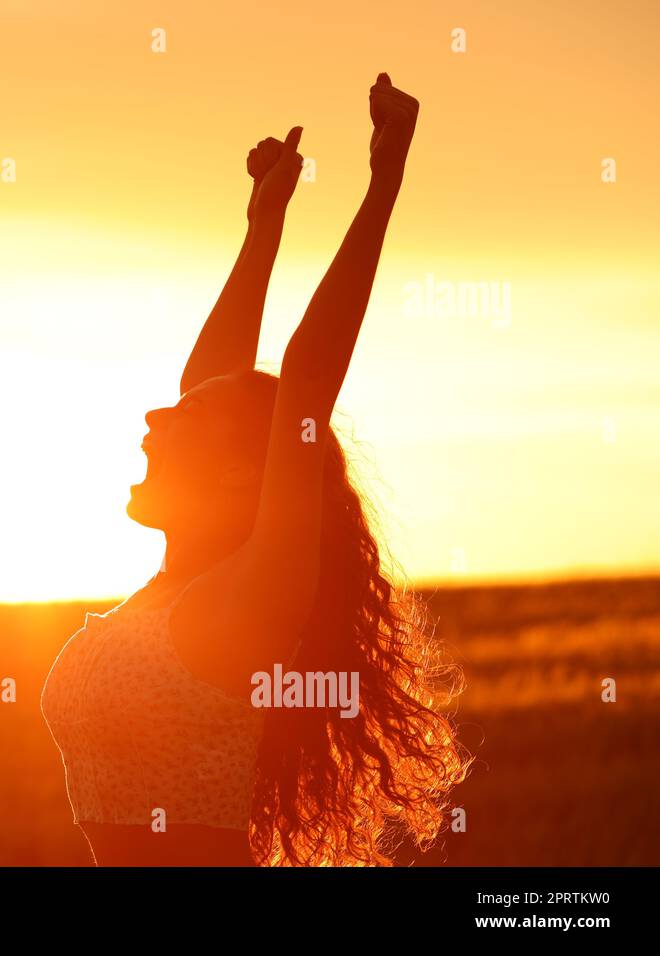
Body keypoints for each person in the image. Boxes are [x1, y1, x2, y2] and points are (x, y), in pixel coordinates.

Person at [41, 74, 469, 866]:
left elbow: (304, 378)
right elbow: (210, 384)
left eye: (186, 422)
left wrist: (383, 184)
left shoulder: (247, 601)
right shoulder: (176, 595)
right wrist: (263, 224)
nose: (155, 418)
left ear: (242, 476)